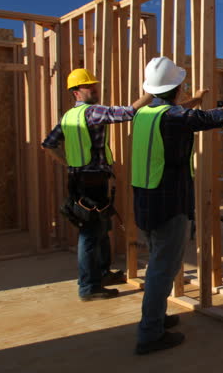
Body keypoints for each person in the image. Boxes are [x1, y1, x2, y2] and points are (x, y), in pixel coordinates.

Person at [132, 56, 223, 355]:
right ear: (177, 87)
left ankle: (154, 318)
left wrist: (196, 99)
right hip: (167, 202)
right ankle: (150, 334)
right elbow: (216, 117)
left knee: (158, 262)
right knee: (162, 269)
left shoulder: (143, 114)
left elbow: (177, 113)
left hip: (145, 201)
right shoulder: (172, 119)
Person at [42, 68, 152, 301]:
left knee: (101, 230)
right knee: (91, 234)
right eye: (88, 86)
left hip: (82, 181)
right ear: (76, 92)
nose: (94, 88)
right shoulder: (92, 112)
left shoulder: (68, 117)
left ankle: (102, 274)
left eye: (94, 84)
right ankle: (88, 287)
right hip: (90, 185)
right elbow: (129, 112)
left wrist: (69, 165)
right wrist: (152, 90)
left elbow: (49, 145)